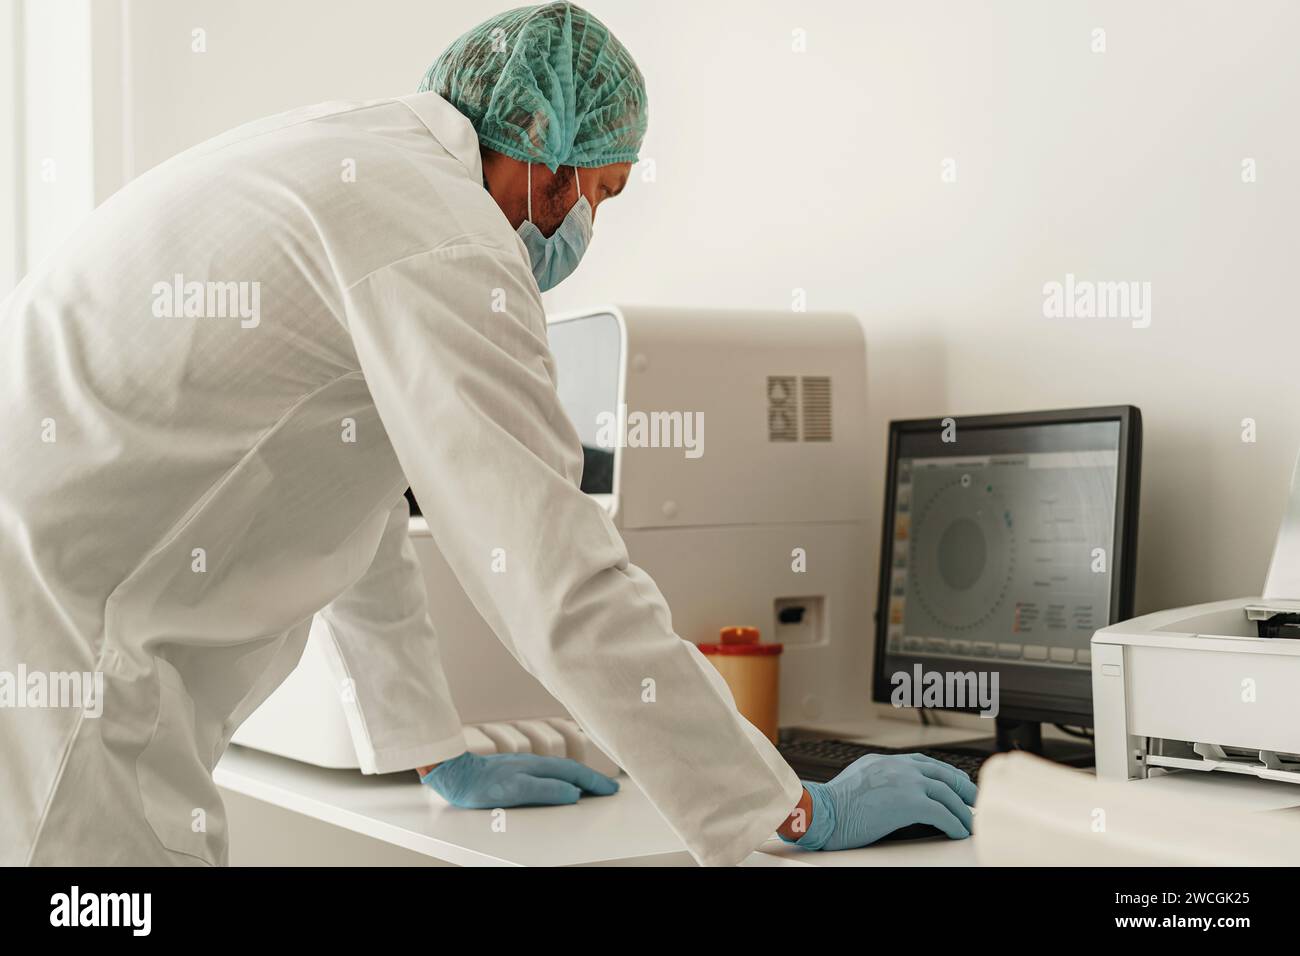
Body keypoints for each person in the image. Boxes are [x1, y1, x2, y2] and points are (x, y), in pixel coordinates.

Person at [0, 2, 975, 866]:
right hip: (63, 679)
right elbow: (559, 573)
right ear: (544, 156)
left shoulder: (359, 166)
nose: (586, 222)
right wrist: (786, 804)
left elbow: (349, 499)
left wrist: (433, 741)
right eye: (600, 191)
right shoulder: (445, 233)